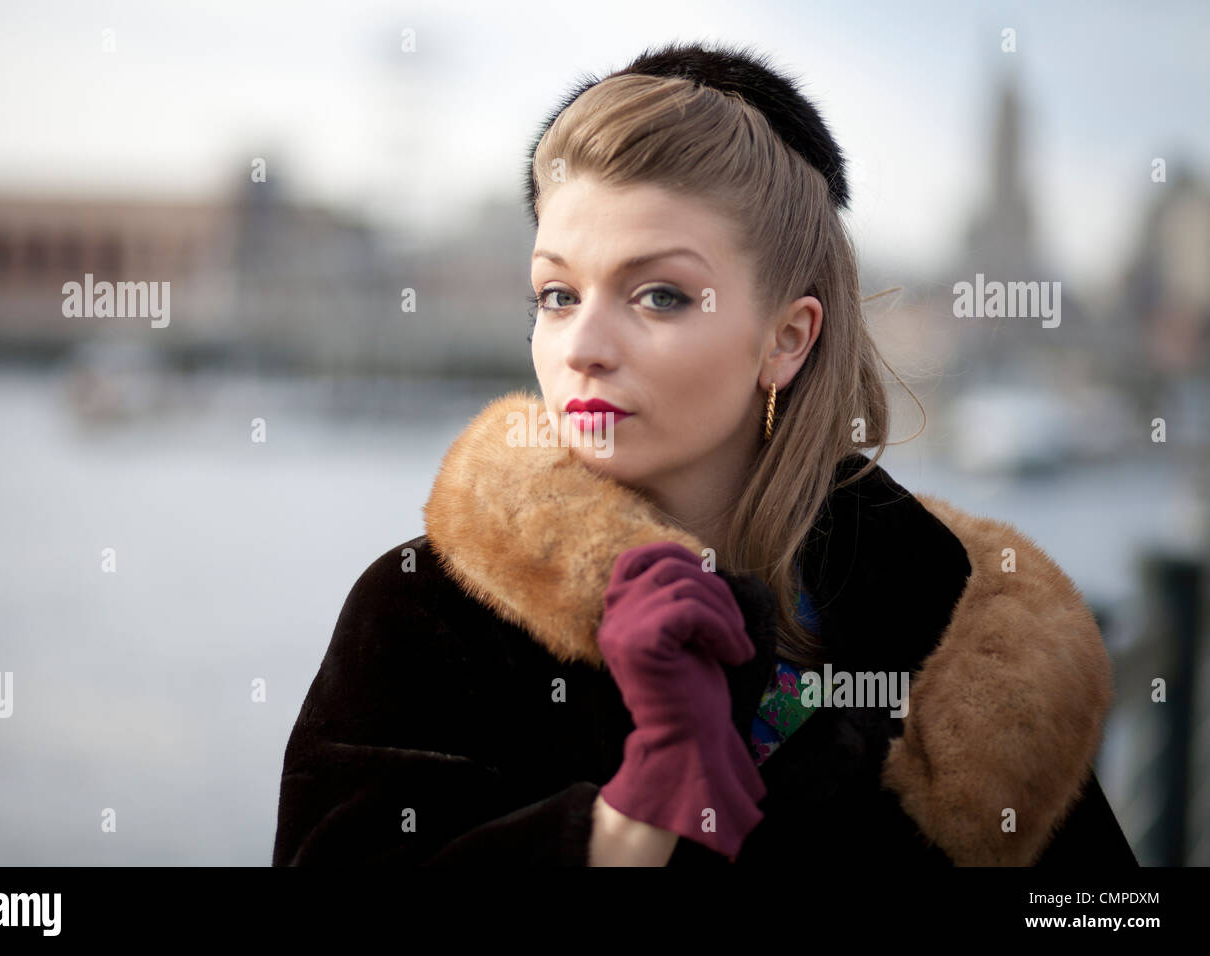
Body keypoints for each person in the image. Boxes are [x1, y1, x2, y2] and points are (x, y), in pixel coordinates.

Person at [272, 40, 1137, 867]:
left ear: (787, 340)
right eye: (558, 293)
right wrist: (624, 827)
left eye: (659, 294)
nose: (582, 347)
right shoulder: (428, 614)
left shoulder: (967, 634)